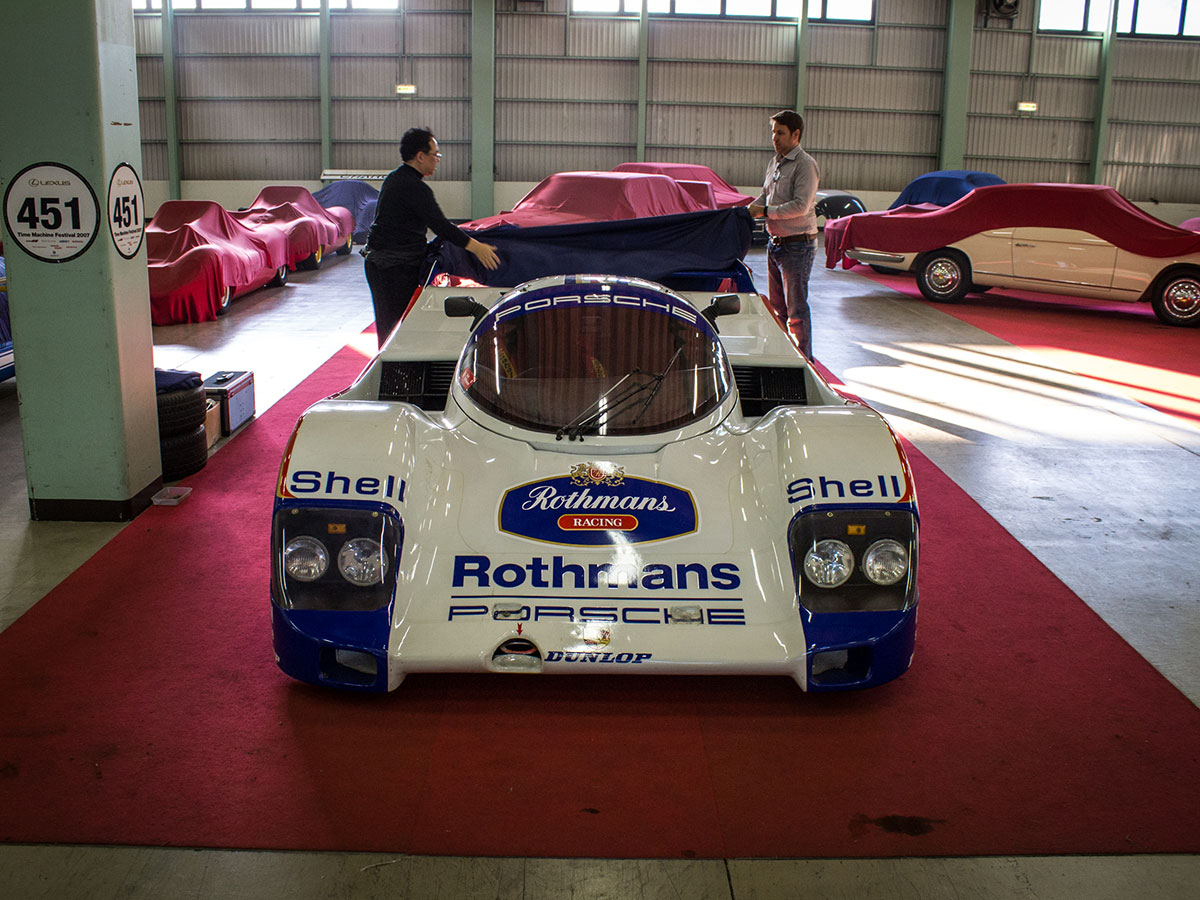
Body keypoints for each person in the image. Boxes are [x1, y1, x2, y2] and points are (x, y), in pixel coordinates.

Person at [363, 127, 500, 346]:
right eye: (435, 155)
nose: (437, 160)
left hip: (383, 262)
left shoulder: (395, 179)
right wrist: (477, 247)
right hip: (392, 267)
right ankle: (392, 369)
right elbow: (440, 225)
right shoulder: (413, 187)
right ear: (420, 156)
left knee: (391, 325)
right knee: (394, 328)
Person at [748, 110, 821, 359]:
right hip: (776, 244)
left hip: (798, 246)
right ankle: (784, 355)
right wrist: (749, 209)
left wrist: (765, 211)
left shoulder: (805, 165)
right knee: (778, 307)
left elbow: (801, 205)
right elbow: (765, 195)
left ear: (796, 134)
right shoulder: (775, 162)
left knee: (796, 309)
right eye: (773, 133)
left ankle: (804, 360)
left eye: (780, 133)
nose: (775, 138)